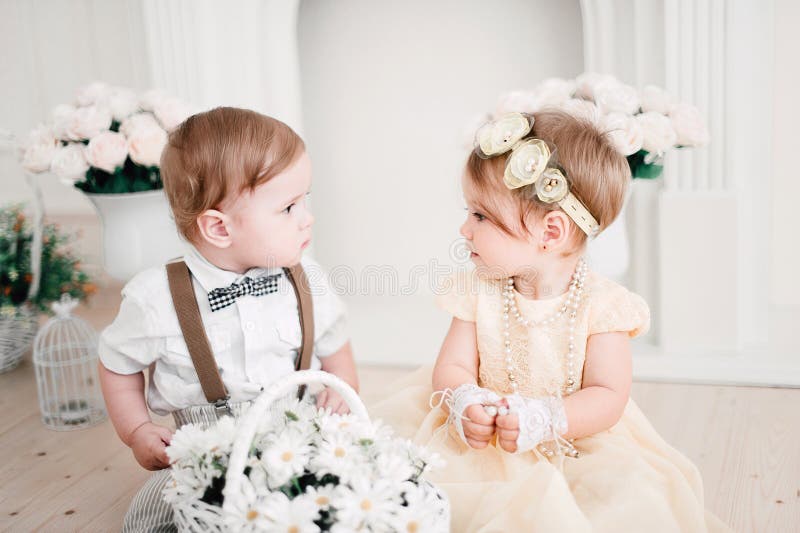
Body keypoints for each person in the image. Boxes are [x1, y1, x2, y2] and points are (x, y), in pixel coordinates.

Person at [371, 110, 730, 532]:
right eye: (468, 212)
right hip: (484, 438)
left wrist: (545, 419)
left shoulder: (603, 305)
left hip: (574, 437)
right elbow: (451, 366)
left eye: (481, 216)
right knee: (415, 481)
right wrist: (464, 398)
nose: (464, 229)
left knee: (624, 500)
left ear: (551, 232)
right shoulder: (478, 288)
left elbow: (608, 394)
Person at [98, 107, 358, 532]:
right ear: (219, 229)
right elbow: (117, 364)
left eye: (304, 200)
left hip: (300, 443)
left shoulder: (306, 278)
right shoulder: (156, 299)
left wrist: (342, 391)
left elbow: (336, 345)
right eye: (289, 207)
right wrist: (137, 430)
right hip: (206, 457)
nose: (307, 217)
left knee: (343, 505)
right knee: (161, 520)